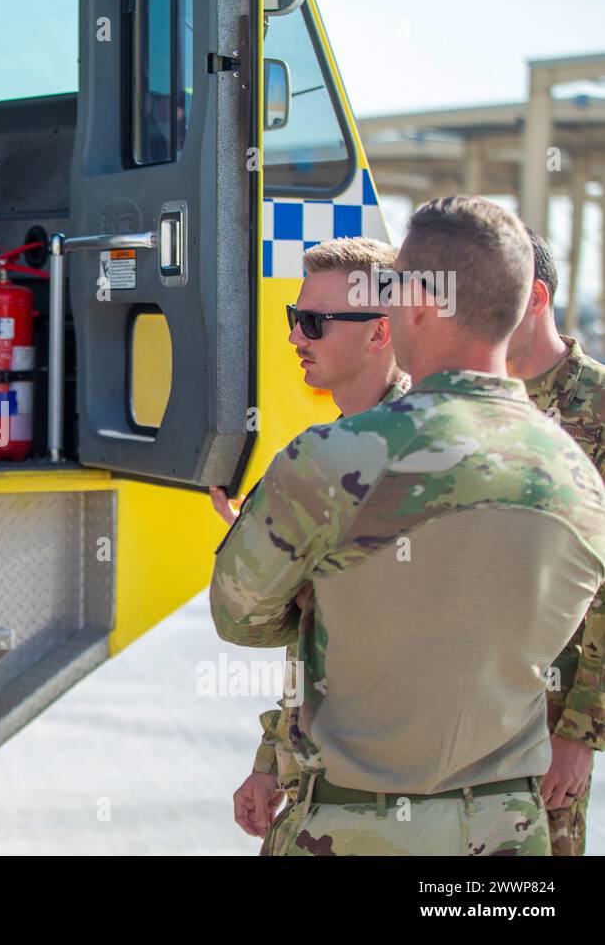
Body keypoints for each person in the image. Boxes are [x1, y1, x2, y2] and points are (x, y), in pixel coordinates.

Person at [211, 196, 605, 856]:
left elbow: (241, 615)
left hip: (354, 826)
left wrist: (319, 584)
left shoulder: (332, 461)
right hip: (508, 829)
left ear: (412, 306)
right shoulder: (575, 471)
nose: (298, 337)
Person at [211, 237, 408, 853]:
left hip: (377, 804)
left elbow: (249, 619)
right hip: (325, 784)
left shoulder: (400, 458)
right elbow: (320, 631)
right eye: (295, 319)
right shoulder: (340, 450)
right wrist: (272, 758)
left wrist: (272, 559)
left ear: (380, 333)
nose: (296, 337)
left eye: (314, 323)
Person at [506, 227, 605, 856]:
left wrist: (581, 730)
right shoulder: (473, 402)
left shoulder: (597, 403)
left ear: (535, 297)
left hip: (552, 716)